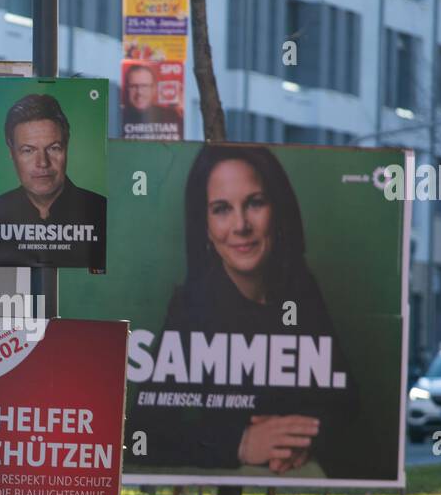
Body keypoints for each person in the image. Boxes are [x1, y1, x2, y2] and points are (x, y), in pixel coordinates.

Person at [131, 145, 358, 477]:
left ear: (277, 210)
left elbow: (345, 406)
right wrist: (239, 442)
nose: (240, 225)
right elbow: (142, 435)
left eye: (255, 203)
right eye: (221, 209)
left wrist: (300, 442)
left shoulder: (300, 287)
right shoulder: (190, 307)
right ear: (205, 226)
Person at [0, 93, 106, 269]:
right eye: (28, 150)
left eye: (53, 148)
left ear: (66, 147)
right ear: (11, 152)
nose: (43, 163)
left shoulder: (102, 212)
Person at [121, 63, 181, 139]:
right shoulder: (118, 118)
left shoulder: (171, 116)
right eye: (133, 86)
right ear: (127, 89)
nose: (139, 92)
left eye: (144, 86)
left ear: (154, 89)